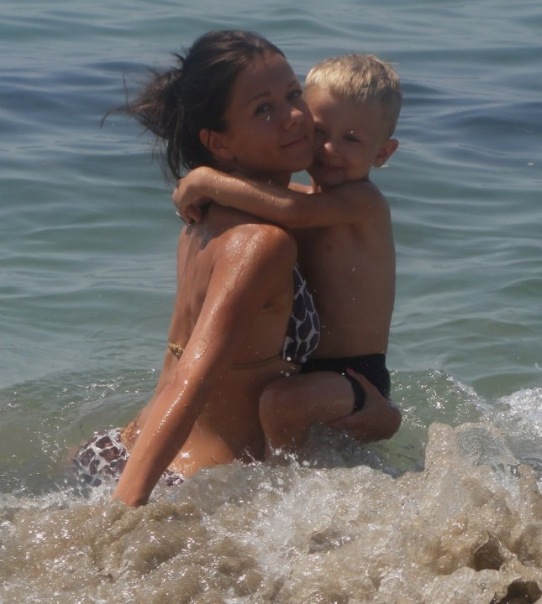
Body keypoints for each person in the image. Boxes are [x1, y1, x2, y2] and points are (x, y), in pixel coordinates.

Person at [73, 30, 321, 506]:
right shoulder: (260, 243)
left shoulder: (205, 217)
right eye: (263, 109)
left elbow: (324, 207)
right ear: (219, 144)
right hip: (182, 481)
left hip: (115, 448)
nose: (293, 116)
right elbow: (194, 377)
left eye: (294, 94)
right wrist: (124, 511)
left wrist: (203, 180)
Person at [173, 53, 403, 455]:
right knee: (273, 407)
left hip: (355, 374)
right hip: (308, 371)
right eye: (320, 131)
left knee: (281, 404)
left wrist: (206, 181)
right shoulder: (310, 200)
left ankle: (284, 484)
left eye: (351, 139)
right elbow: (273, 198)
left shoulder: (363, 203)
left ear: (382, 153)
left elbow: (290, 210)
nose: (328, 148)